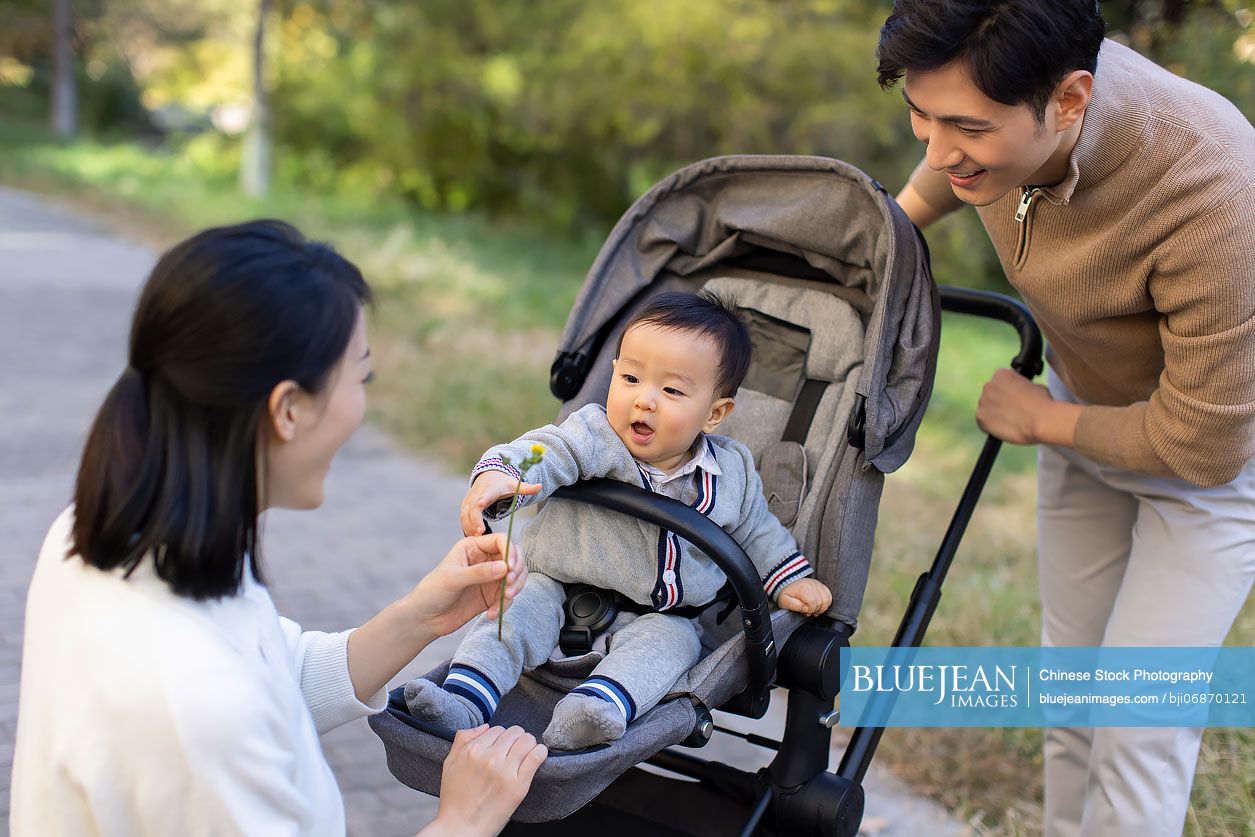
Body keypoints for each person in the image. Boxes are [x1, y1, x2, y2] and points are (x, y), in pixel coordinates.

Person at [10, 220, 548, 837]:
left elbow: (269, 681)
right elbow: (229, 708)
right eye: (361, 376)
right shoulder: (193, 702)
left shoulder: (102, 536)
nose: (362, 404)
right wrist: (464, 820)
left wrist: (421, 617)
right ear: (289, 409)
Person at [875, 2, 1255, 835]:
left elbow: (1201, 444)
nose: (937, 151)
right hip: (1084, 412)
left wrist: (1041, 421)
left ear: (1072, 100)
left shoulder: (1213, 187)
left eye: (965, 127)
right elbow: (954, 152)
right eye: (920, 117)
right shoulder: (1003, 96)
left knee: (1135, 721)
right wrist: (893, 227)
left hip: (1216, 458)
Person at [405, 291, 833, 750]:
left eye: (671, 390)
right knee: (508, 618)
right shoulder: (594, 435)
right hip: (557, 586)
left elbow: (757, 531)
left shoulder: (732, 474)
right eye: (630, 377)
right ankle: (462, 699)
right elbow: (548, 452)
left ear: (715, 413)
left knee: (673, 647)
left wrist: (786, 580)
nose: (644, 400)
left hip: (660, 615)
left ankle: (595, 709)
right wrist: (502, 475)